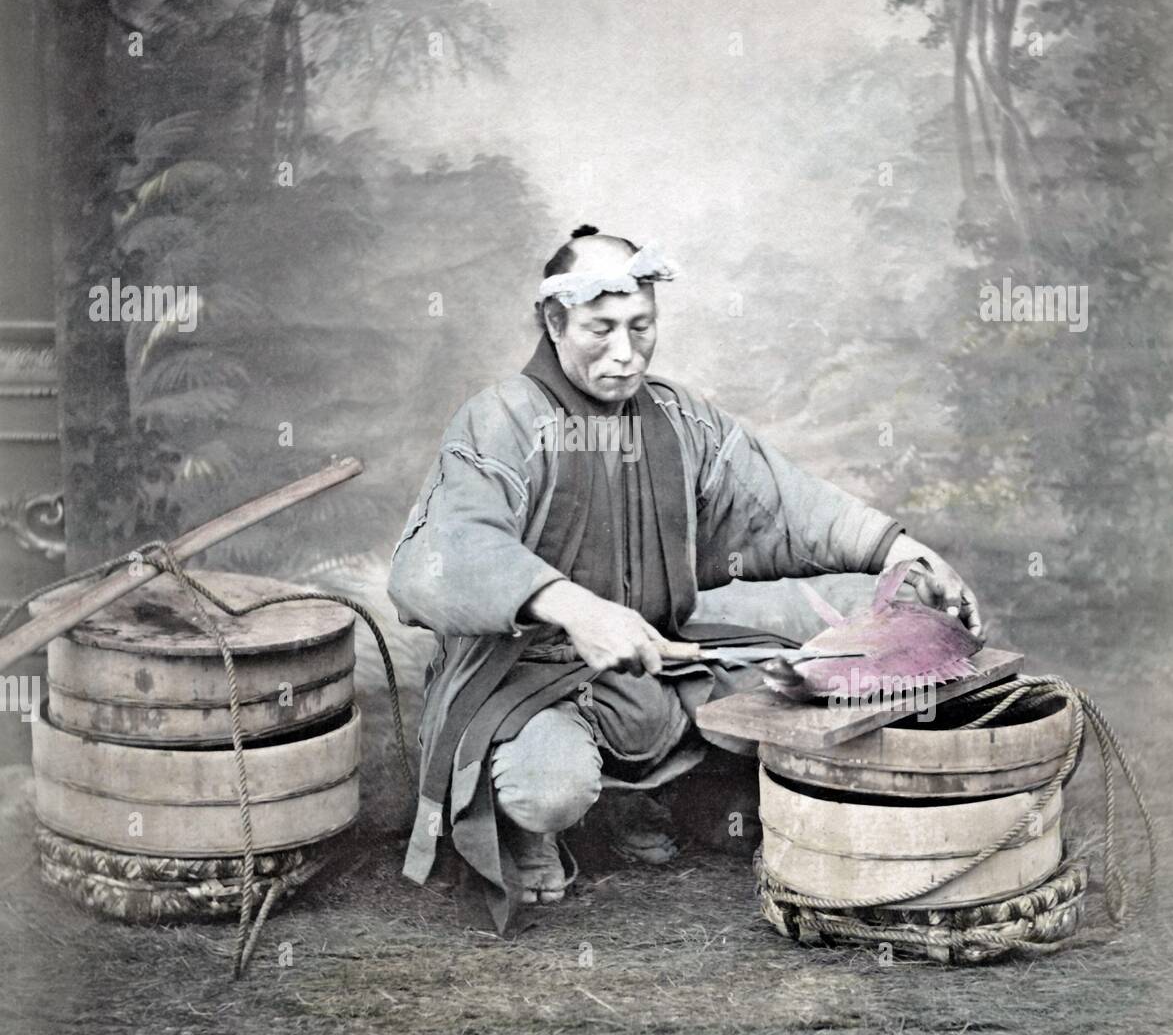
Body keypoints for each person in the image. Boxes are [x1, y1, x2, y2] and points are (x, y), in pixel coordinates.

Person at [387, 225, 981, 933]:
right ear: (553, 322)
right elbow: (438, 555)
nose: (624, 352)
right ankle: (522, 823)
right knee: (549, 789)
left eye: (641, 326)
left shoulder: (676, 416)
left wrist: (902, 550)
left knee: (808, 676)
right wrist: (570, 606)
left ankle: (649, 792)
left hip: (656, 657)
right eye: (599, 329)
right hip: (520, 674)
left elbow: (782, 502)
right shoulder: (501, 419)